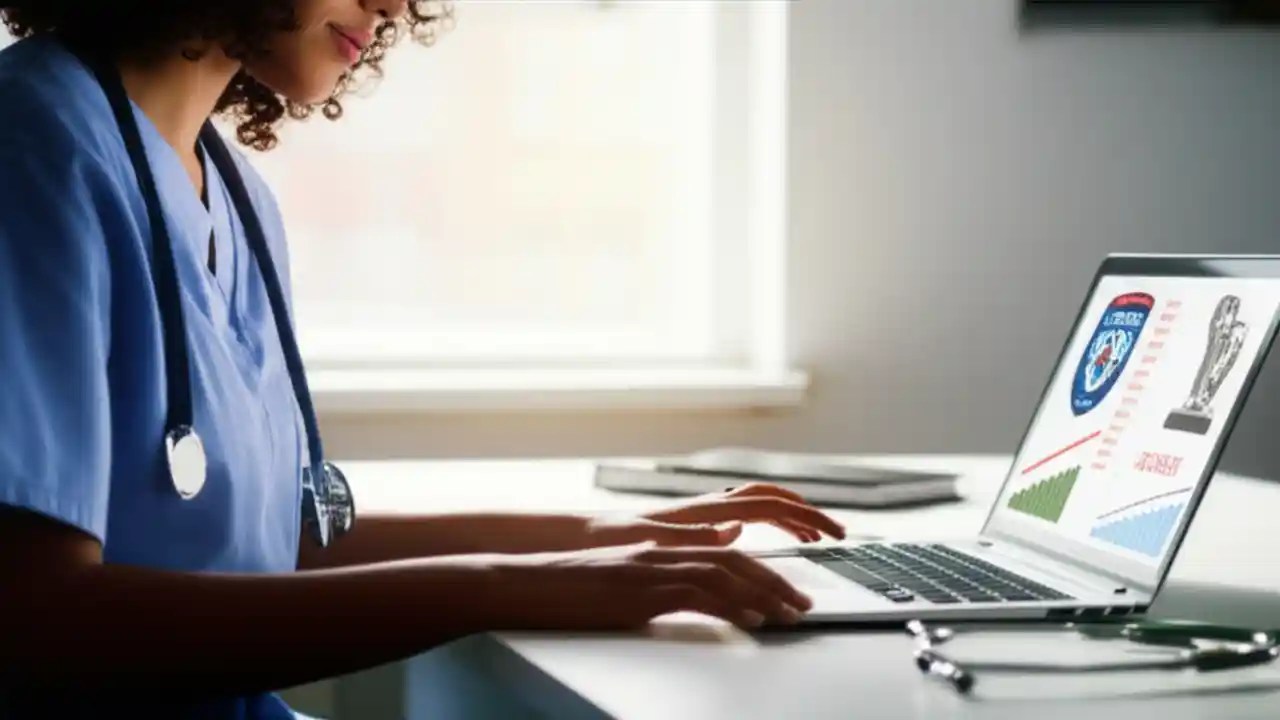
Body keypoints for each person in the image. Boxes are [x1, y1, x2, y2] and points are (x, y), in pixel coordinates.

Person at [0, 2, 846, 717]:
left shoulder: (235, 194)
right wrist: (503, 585)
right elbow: (38, 617)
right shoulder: (34, 142)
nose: (396, 3)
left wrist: (597, 540)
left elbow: (274, 542)